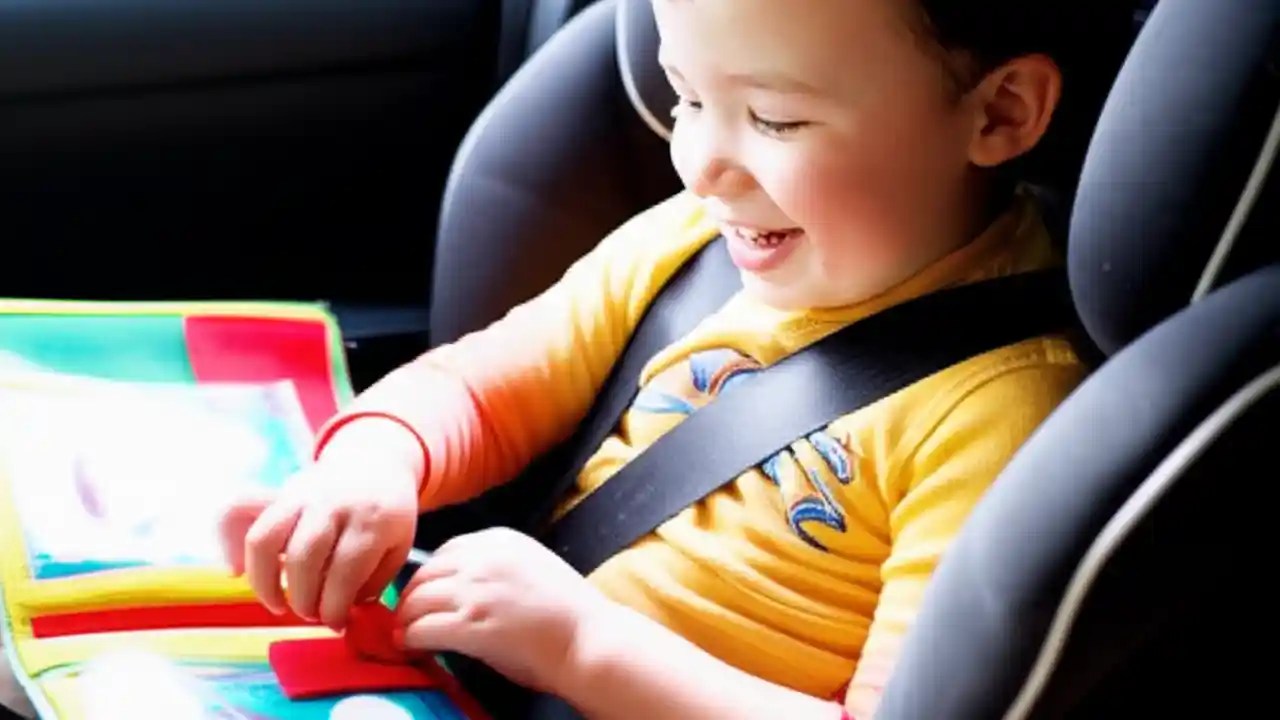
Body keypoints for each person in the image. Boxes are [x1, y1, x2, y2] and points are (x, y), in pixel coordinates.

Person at [220, 1, 1133, 717]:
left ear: (1001, 112)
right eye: (687, 97)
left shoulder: (1001, 412)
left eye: (774, 120)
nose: (700, 164)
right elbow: (480, 390)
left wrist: (583, 649)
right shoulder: (696, 243)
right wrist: (374, 464)